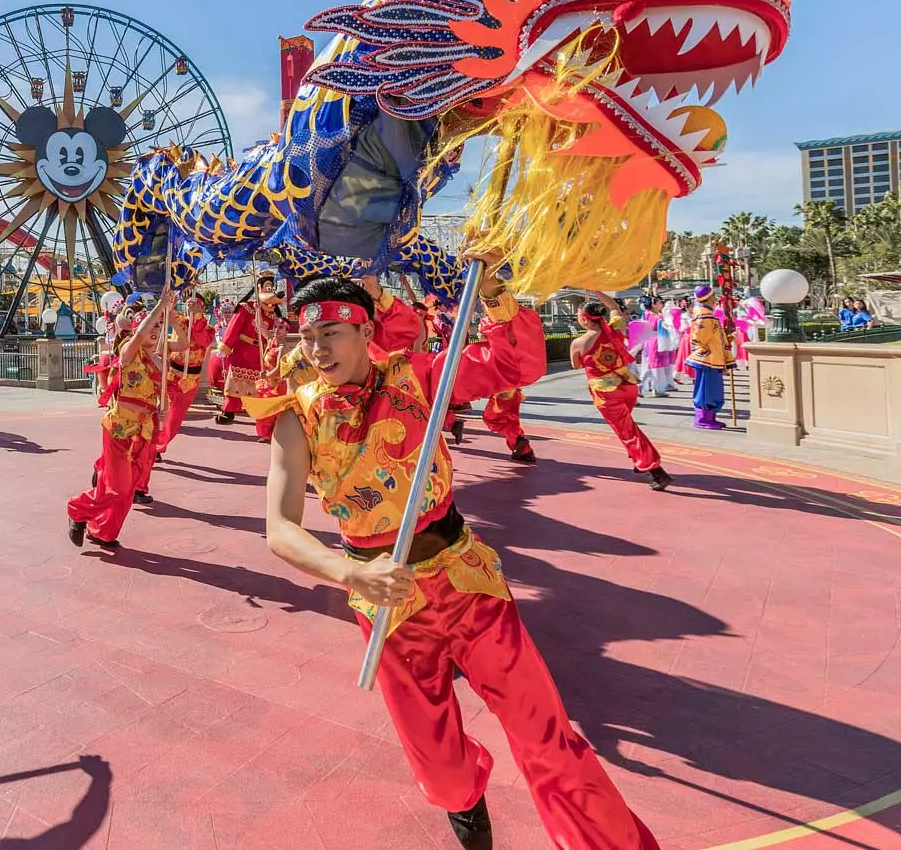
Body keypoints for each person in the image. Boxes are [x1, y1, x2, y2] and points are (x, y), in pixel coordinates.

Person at [257, 271, 659, 850]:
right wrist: (352, 573)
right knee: (441, 773)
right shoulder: (295, 417)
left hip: (469, 584)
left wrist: (496, 294)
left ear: (365, 330)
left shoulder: (419, 377)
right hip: (389, 605)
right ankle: (464, 791)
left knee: (548, 740)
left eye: (331, 333)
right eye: (308, 336)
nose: (317, 349)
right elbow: (280, 528)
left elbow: (516, 367)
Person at [67, 292, 171, 551]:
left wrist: (163, 410)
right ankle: (77, 509)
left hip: (144, 431)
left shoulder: (157, 360)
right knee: (120, 488)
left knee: (125, 489)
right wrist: (161, 306)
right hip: (120, 427)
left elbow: (163, 393)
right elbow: (137, 337)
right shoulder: (128, 351)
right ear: (138, 326)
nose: (156, 329)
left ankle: (103, 531)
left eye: (160, 326)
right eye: (152, 325)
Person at [571, 295, 673, 490]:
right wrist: (595, 290)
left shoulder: (579, 343)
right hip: (628, 386)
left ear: (584, 319)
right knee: (627, 427)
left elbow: (576, 365)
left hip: (606, 392)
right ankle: (639, 459)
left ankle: (655, 470)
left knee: (628, 432)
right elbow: (614, 305)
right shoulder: (616, 328)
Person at [215, 272, 283, 429]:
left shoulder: (273, 313)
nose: (270, 290)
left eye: (272, 287)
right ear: (259, 288)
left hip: (262, 353)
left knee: (260, 384)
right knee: (235, 381)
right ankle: (229, 410)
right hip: (243, 351)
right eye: (267, 287)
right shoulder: (247, 308)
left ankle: (259, 413)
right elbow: (234, 327)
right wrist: (225, 346)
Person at [152, 294, 215, 459]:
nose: (190, 307)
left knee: (174, 417)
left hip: (189, 380)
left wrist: (198, 317)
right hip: (171, 374)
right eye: (188, 304)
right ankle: (152, 444)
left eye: (195, 304)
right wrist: (169, 305)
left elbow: (201, 340)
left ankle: (160, 445)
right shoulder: (180, 321)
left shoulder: (209, 330)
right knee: (161, 410)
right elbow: (164, 317)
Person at [688, 285, 733, 430]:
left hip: (712, 359)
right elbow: (699, 337)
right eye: (714, 296)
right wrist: (708, 349)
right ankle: (703, 420)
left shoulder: (706, 313)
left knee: (712, 390)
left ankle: (710, 418)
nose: (716, 299)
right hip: (708, 359)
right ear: (709, 298)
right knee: (706, 391)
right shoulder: (705, 314)